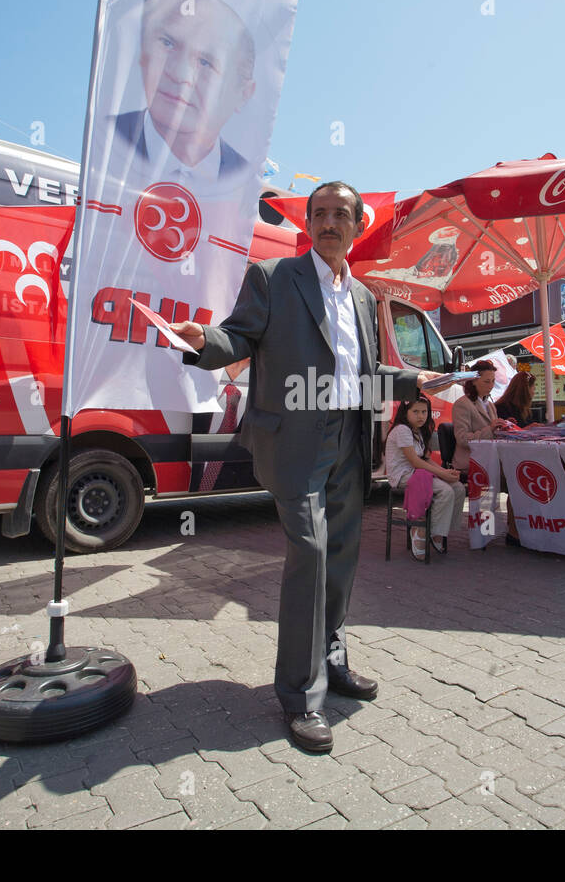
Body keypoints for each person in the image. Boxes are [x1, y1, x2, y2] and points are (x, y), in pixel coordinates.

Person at [170, 181, 435, 754]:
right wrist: (203, 342)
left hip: (348, 437)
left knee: (341, 555)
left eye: (341, 214)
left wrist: (417, 381)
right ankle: (299, 696)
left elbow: (365, 377)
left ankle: (332, 660)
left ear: (358, 225)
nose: (329, 222)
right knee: (311, 554)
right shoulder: (274, 279)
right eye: (320, 214)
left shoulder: (364, 297)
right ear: (308, 224)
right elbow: (236, 335)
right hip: (295, 438)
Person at [112, 0, 256, 186]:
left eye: (205, 63)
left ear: (243, 94)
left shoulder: (246, 181)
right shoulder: (105, 139)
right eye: (168, 44)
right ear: (142, 52)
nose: (180, 75)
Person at [384, 397, 466, 558]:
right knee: (446, 491)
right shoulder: (402, 430)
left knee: (458, 488)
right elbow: (415, 461)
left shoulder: (418, 431)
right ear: (405, 412)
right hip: (403, 476)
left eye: (424, 412)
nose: (421, 416)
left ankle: (440, 530)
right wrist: (443, 475)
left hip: (419, 473)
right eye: (415, 412)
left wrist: (446, 473)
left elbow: (425, 459)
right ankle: (423, 531)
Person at [452, 360, 509, 468]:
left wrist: (505, 426)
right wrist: (490, 428)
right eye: (487, 382)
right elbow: (462, 439)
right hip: (471, 464)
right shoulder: (462, 404)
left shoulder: (490, 405)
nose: (491, 386)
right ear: (473, 381)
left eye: (493, 381)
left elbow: (494, 435)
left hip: (489, 460)